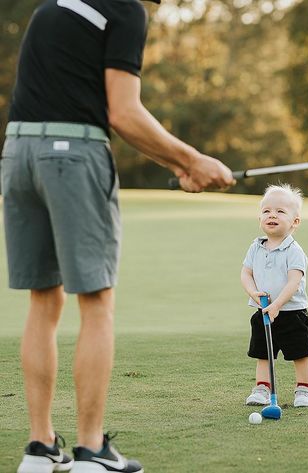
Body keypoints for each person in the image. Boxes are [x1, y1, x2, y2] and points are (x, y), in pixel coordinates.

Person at [1, 1, 234, 472]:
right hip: (72, 158)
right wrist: (193, 159)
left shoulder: (53, 7)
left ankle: (40, 447)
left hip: (17, 153)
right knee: (97, 302)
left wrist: (176, 165)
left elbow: (83, 100)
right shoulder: (126, 10)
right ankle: (91, 451)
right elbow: (123, 114)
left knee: (43, 302)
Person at [240, 184, 308, 409]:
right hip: (263, 310)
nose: (272, 215)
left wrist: (278, 305)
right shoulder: (255, 247)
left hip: (292, 312)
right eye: (267, 211)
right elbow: (246, 273)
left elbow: (294, 281)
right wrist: (253, 292)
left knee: (300, 353)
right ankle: (262, 388)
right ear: (260, 218)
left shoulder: (294, 251)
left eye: (281, 211)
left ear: (295, 222)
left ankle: (303, 390)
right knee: (264, 354)